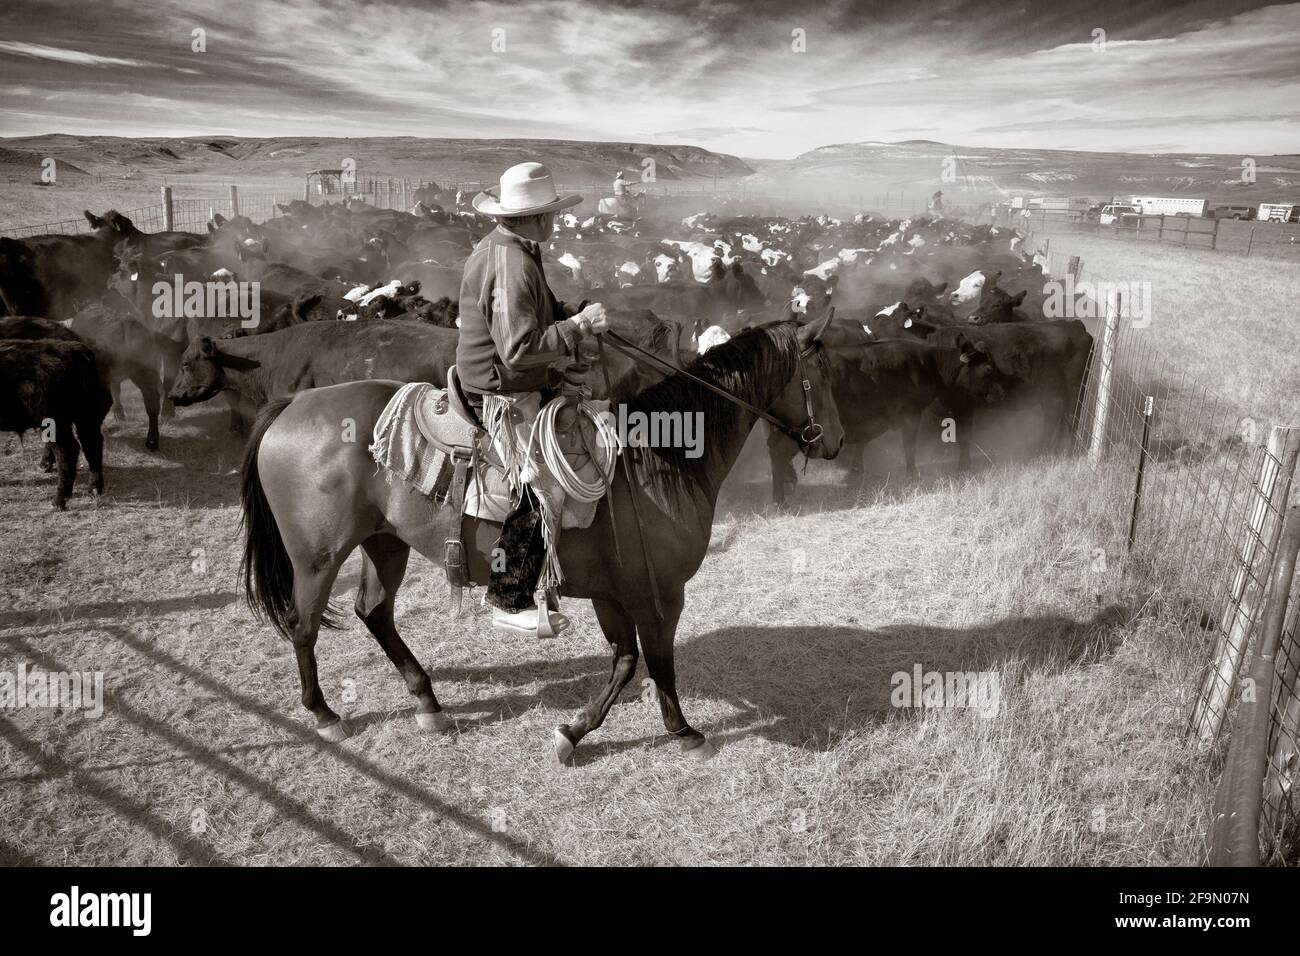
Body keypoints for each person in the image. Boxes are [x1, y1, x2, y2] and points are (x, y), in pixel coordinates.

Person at [457, 162, 608, 637]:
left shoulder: (515, 249)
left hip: (510, 378)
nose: (557, 221)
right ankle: (509, 595)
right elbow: (519, 349)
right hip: (503, 390)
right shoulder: (512, 261)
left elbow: (537, 311)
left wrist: (568, 315)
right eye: (553, 212)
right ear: (538, 217)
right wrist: (577, 329)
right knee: (544, 480)